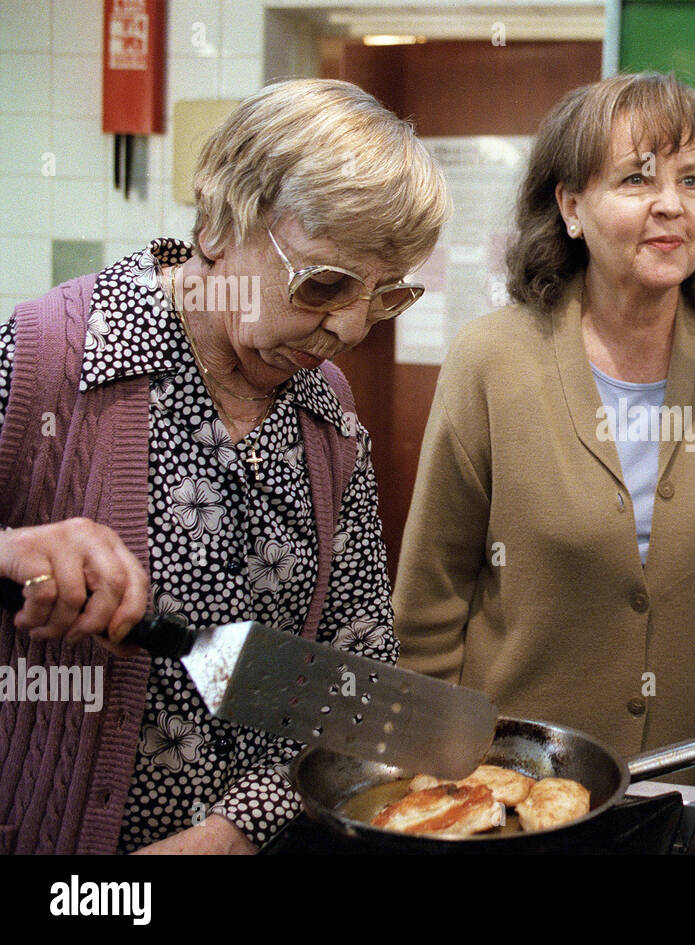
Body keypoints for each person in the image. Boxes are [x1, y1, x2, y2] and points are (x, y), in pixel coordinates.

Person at [0, 78, 449, 853]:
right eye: (324, 283)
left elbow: (354, 673)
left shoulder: (328, 413)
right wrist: (8, 551)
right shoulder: (49, 359)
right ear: (216, 226)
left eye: (384, 298)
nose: (348, 328)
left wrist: (235, 830)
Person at [393, 72, 695, 786]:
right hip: (519, 783)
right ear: (571, 206)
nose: (672, 205)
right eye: (636, 179)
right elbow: (430, 598)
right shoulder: (491, 358)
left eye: (691, 181)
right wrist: (434, 772)